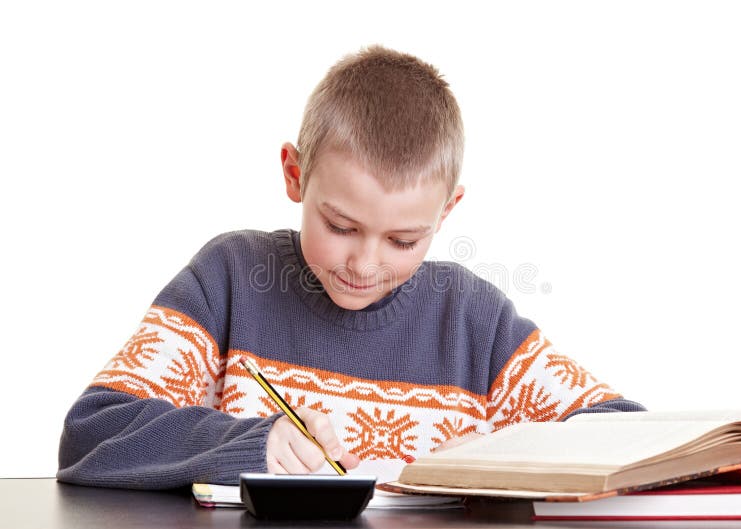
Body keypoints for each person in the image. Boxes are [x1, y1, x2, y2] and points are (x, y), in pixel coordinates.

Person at [57, 45, 645, 489]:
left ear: (447, 213)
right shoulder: (231, 280)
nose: (364, 264)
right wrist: (246, 444)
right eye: (340, 227)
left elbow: (624, 438)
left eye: (403, 240)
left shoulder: (474, 322)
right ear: (294, 174)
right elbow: (92, 433)